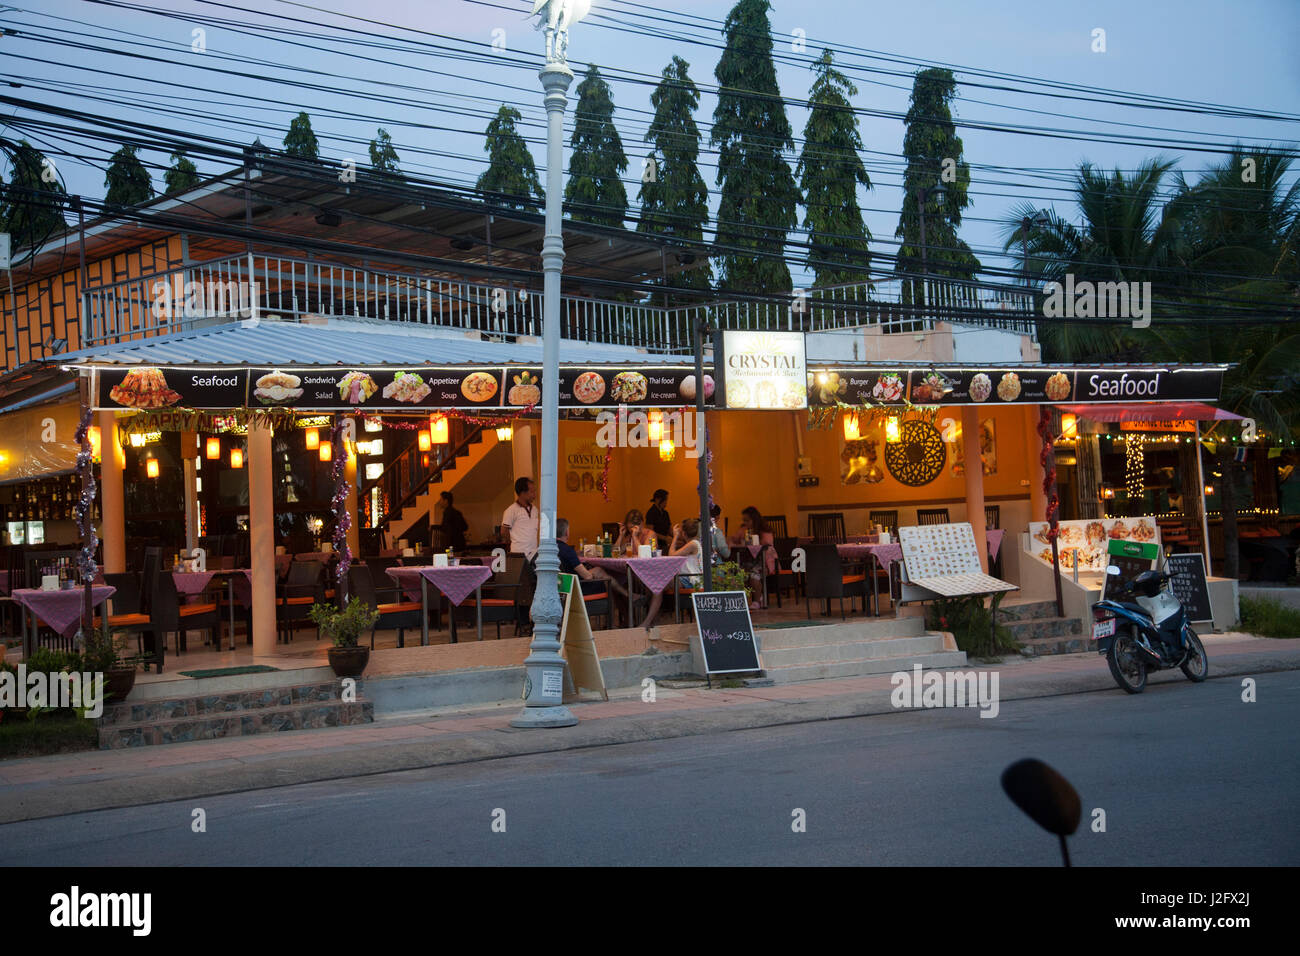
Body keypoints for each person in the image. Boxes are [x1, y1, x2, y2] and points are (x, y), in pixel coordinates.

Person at [556, 518, 630, 624]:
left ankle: (625, 596)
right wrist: (594, 572)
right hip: (578, 590)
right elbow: (587, 577)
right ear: (567, 532)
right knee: (606, 581)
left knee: (599, 571)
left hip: (563, 588)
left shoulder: (552, 548)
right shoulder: (568, 551)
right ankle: (611, 622)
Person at [638, 518, 703, 630]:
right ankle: (652, 619)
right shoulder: (695, 543)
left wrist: (675, 536)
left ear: (683, 533)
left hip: (691, 581)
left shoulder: (693, 544)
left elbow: (671, 554)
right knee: (656, 584)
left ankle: (648, 621)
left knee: (659, 583)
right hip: (687, 579)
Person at [731, 506, 775, 610]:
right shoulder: (744, 530)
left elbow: (768, 547)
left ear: (754, 519)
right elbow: (733, 539)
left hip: (764, 561)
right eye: (744, 520)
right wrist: (734, 542)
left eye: (747, 520)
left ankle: (757, 600)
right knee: (738, 574)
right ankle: (742, 601)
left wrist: (755, 545)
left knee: (753, 575)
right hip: (748, 561)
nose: (745, 523)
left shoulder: (765, 531)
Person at [501, 477, 538, 559]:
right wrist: (515, 541)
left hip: (534, 554)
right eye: (532, 492)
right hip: (519, 555)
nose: (534, 495)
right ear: (522, 493)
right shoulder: (511, 510)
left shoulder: (535, 509)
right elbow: (504, 531)